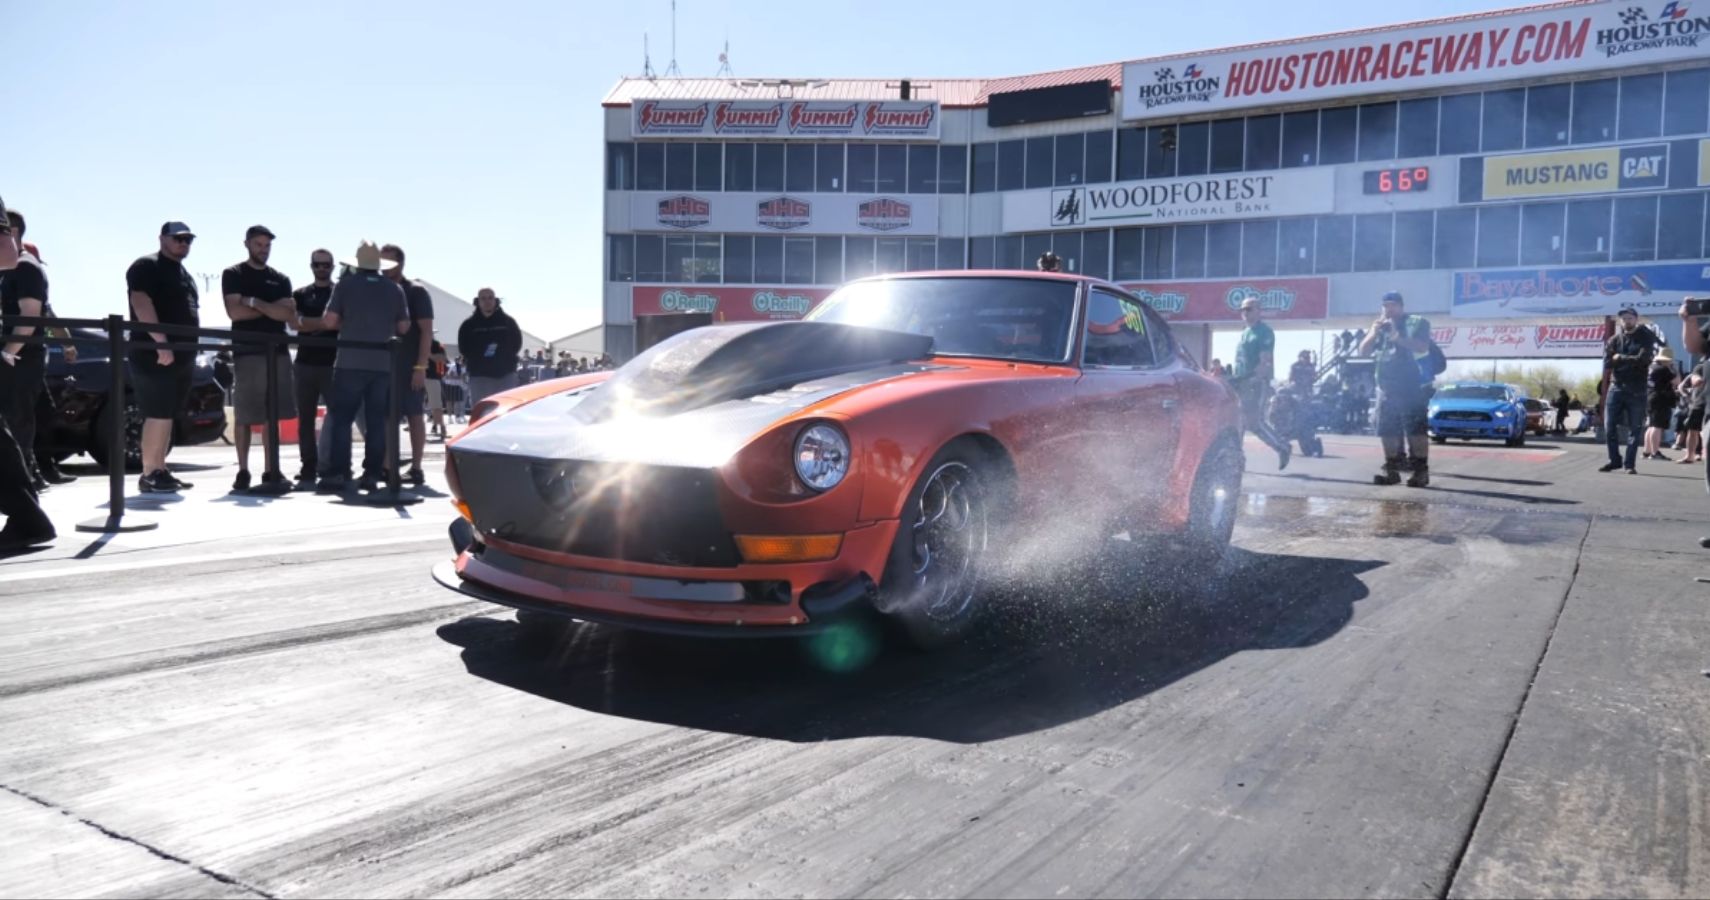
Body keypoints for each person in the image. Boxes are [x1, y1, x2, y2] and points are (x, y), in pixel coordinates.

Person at [319, 241, 408, 493]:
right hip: (382, 364)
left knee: (342, 419)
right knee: (376, 421)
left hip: (349, 361)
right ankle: (372, 473)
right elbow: (403, 327)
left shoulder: (345, 286)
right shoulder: (394, 289)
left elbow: (330, 321)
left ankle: (338, 472)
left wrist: (351, 322)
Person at [126, 222, 202, 494]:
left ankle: (160, 468)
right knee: (157, 412)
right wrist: (161, 343)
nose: (184, 243)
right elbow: (140, 302)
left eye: (188, 240)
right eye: (178, 238)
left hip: (182, 354)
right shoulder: (147, 266)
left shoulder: (184, 275)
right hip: (154, 353)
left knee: (168, 413)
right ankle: (149, 473)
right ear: (162, 239)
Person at [221, 225, 296, 494]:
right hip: (248, 351)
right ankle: (243, 470)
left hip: (278, 352)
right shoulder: (234, 274)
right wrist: (271, 308)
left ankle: (271, 468)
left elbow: (287, 314)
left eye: (267, 245)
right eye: (258, 244)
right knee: (245, 414)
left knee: (272, 415)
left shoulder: (281, 279)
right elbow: (235, 313)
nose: (263, 250)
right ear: (247, 244)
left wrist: (254, 302)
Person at [0, 196, 55, 551]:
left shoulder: (27, 267)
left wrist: (9, 351)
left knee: (10, 428)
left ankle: (28, 517)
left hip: (23, 356)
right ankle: (28, 518)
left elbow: (7, 254)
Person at [1359, 291, 1433, 487]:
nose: (1388, 309)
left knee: (1415, 430)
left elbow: (1422, 346)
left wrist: (1396, 336)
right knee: (1387, 429)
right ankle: (1391, 470)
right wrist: (1374, 333)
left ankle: (1420, 471)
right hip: (1386, 386)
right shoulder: (1379, 325)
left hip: (1412, 384)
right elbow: (1363, 351)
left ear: (1401, 306)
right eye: (1385, 306)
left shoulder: (1417, 322)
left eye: (1392, 305)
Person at [380, 244, 433, 486]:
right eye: (381, 262)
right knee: (387, 417)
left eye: (389, 262)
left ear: (401, 263)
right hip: (384, 365)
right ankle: (387, 466)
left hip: (410, 365)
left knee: (414, 415)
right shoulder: (379, 289)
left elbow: (426, 331)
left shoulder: (416, 292)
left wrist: (420, 368)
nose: (384, 267)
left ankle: (416, 467)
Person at [289, 248, 340, 489]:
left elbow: (340, 323)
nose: (322, 268)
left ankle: (335, 465)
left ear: (332, 267)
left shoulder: (339, 293)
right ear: (311, 266)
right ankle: (308, 465)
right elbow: (293, 323)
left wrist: (309, 324)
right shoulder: (300, 294)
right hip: (305, 363)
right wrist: (325, 323)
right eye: (317, 264)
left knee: (337, 417)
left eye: (326, 264)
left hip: (332, 364)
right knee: (305, 419)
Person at [1229, 296, 1291, 470]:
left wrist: (1256, 378)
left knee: (1255, 423)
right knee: (1239, 421)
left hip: (1255, 383)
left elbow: (1265, 361)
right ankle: (1236, 460)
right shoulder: (1245, 332)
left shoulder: (1264, 332)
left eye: (1249, 309)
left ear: (1258, 311)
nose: (1245, 312)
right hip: (1241, 383)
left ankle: (1282, 446)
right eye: (1242, 309)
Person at [1601, 306, 1658, 474]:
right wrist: (1625, 359)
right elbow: (1607, 363)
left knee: (1635, 428)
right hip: (1616, 386)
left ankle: (1629, 464)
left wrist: (1620, 358)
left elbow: (1643, 360)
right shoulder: (1614, 340)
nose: (1627, 321)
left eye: (1630, 318)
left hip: (1637, 388)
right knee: (1609, 426)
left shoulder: (1645, 338)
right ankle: (1614, 460)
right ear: (1620, 321)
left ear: (1636, 319)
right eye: (1624, 318)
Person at [458, 287, 523, 404]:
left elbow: (517, 344)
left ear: (495, 300)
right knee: (483, 411)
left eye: (490, 298)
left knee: (507, 409)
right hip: (479, 376)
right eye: (483, 298)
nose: (487, 301)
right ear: (477, 302)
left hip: (506, 375)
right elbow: (464, 348)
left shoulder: (508, 322)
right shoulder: (468, 325)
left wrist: (504, 358)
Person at [1644, 349, 1678, 461]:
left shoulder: (1652, 367)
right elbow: (1677, 381)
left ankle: (1647, 451)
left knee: (1651, 425)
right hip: (1660, 399)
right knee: (1657, 426)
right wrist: (1674, 370)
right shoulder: (1663, 369)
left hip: (1650, 397)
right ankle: (1655, 452)